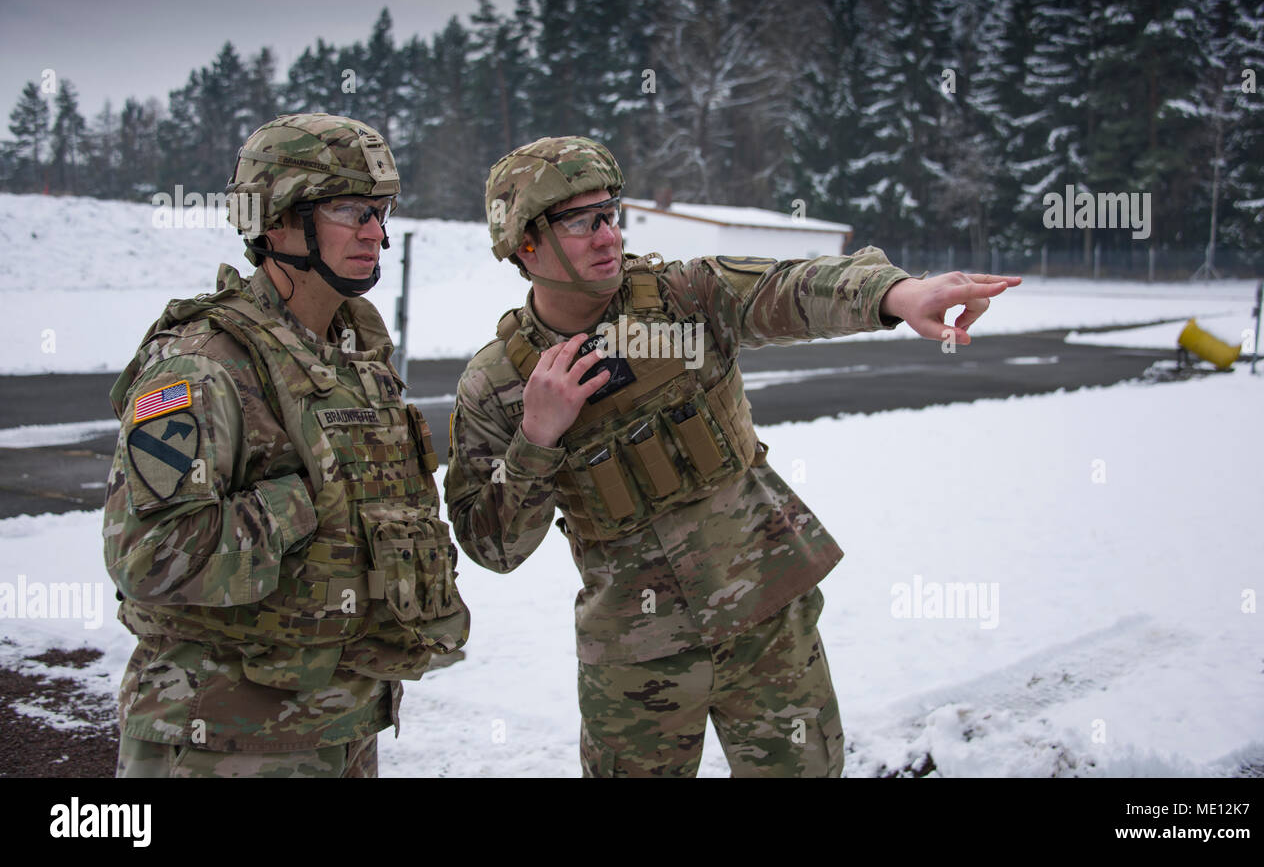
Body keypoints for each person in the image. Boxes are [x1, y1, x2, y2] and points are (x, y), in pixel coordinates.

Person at [443, 135, 1020, 777]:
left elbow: (791, 287)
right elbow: (492, 546)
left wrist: (896, 294)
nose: (608, 235)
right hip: (637, 656)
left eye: (610, 213)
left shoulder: (688, 298)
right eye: (581, 222)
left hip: (766, 615)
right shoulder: (496, 383)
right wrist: (537, 440)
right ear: (524, 242)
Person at [103, 113, 469, 778]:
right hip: (218, 742)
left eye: (380, 210)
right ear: (274, 222)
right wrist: (304, 500)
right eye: (349, 209)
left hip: (343, 728)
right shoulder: (202, 363)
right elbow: (148, 555)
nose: (376, 231)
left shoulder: (356, 355)